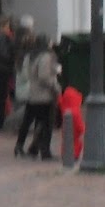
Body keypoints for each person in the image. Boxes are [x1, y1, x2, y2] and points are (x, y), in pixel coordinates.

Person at [14, 33, 61, 161]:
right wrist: (55, 86)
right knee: (46, 124)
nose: (52, 44)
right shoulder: (46, 56)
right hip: (45, 96)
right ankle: (45, 152)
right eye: (50, 41)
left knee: (29, 121)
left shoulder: (31, 56)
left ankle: (26, 147)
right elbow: (44, 76)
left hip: (33, 94)